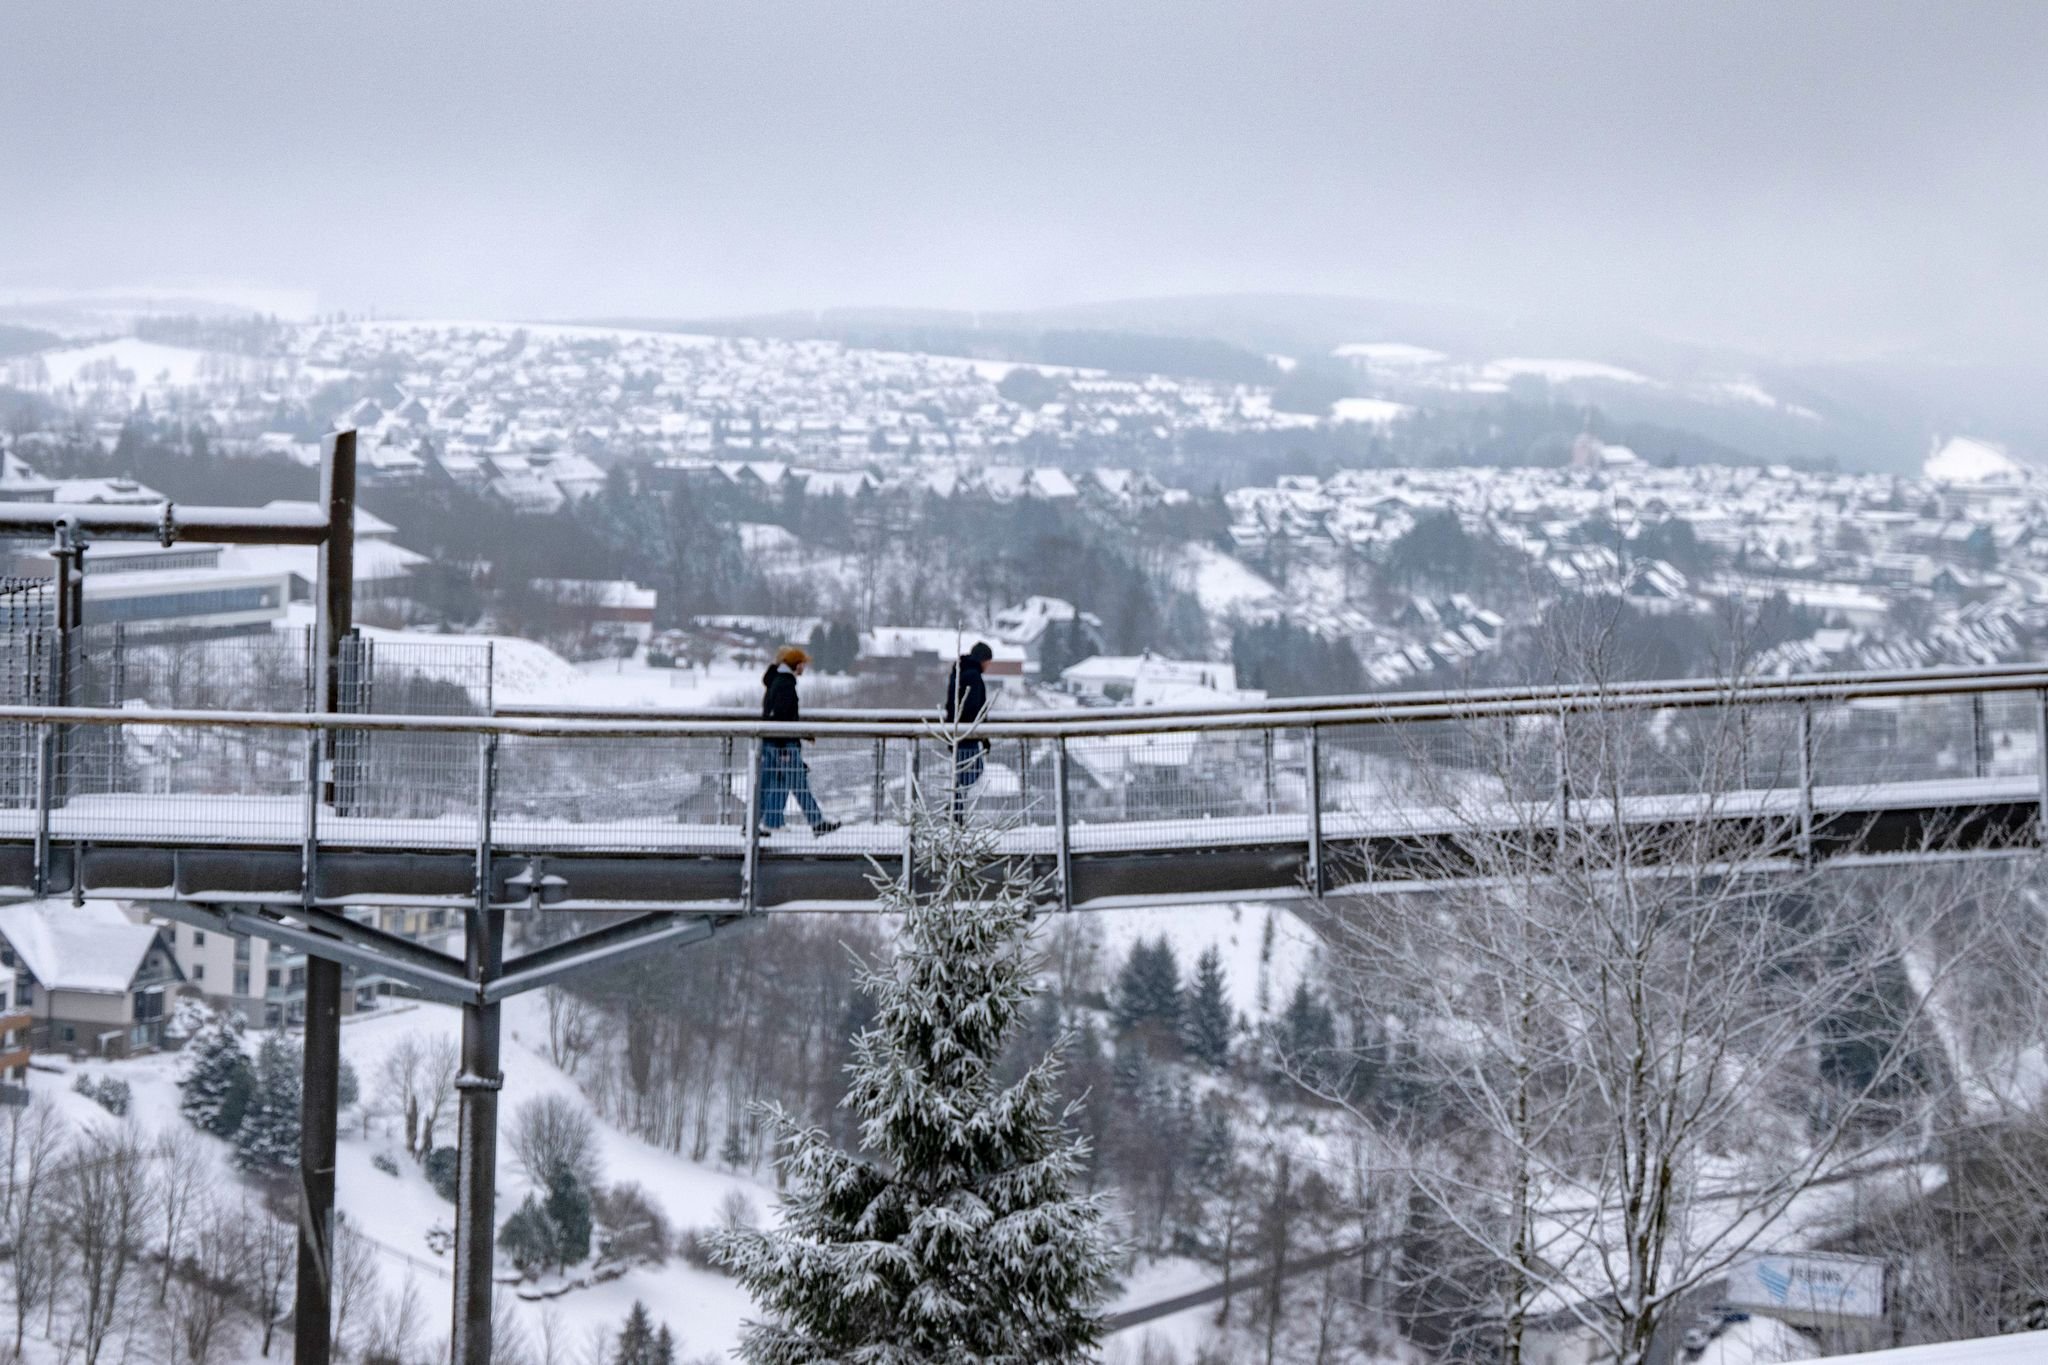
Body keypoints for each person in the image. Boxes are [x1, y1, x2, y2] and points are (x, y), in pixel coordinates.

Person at [758, 645, 838, 837]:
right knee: (798, 783)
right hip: (783, 743)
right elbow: (783, 717)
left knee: (769, 784)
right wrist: (786, 745)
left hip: (770, 741)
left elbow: (776, 714)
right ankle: (817, 823)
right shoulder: (786, 684)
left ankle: (758, 824)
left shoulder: (775, 681)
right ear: (796, 664)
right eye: (803, 664)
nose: (804, 668)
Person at [943, 641, 994, 822]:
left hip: (957, 730)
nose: (989, 666)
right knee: (972, 769)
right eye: (988, 661)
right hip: (968, 732)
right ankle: (953, 809)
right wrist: (982, 735)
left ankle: (955, 811)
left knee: (963, 771)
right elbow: (974, 707)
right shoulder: (973, 676)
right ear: (983, 659)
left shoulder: (960, 672)